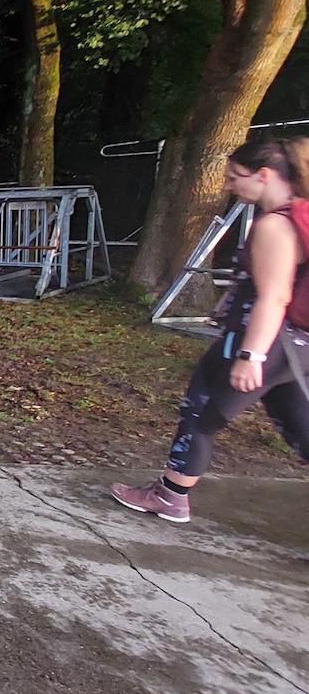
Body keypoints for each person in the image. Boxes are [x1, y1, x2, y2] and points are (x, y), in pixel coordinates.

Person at [113, 138, 309, 522]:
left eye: (237, 177)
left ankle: (170, 497)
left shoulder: (274, 224)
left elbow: (274, 297)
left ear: (264, 176)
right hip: (294, 345)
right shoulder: (300, 216)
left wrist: (250, 356)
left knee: (201, 415)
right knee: (302, 427)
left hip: (260, 341)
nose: (230, 185)